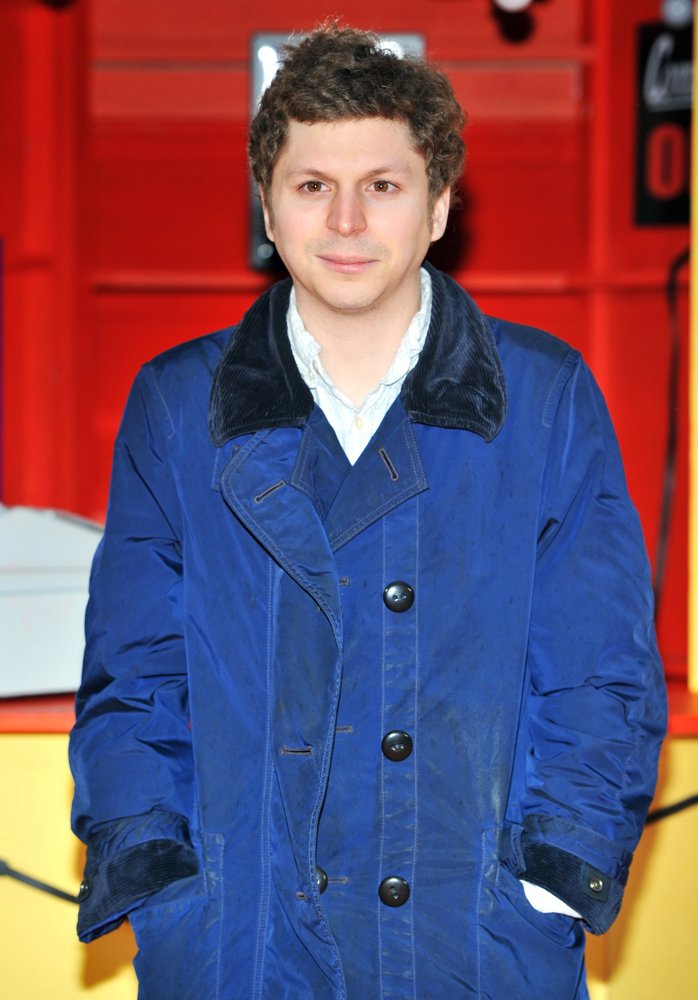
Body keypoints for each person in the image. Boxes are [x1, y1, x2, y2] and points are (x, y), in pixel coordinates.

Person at [69, 23, 667, 1000]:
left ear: (436, 206)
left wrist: (550, 884)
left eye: (381, 186)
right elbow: (133, 679)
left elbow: (598, 674)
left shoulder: (542, 397)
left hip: (467, 945)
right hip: (241, 945)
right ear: (268, 200)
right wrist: (165, 893)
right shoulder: (178, 404)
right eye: (312, 185)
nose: (345, 220)